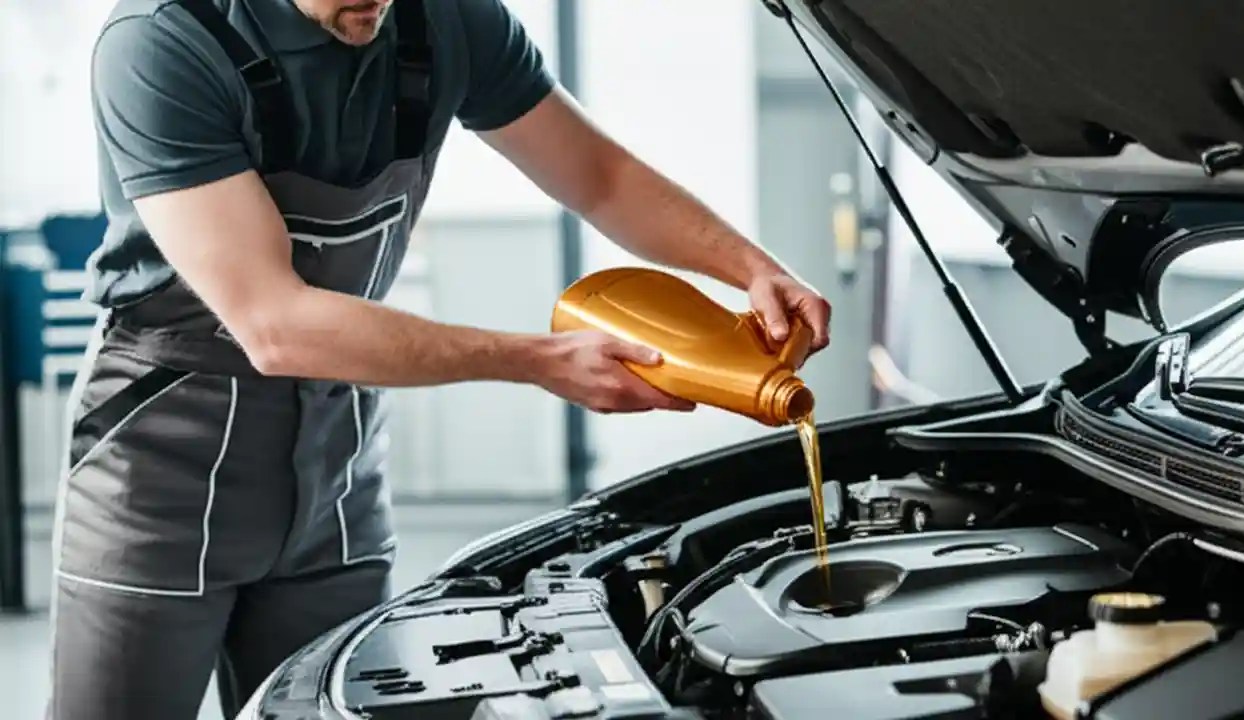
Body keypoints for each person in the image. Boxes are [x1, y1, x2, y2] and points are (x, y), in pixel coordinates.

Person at [50, 0, 833, 718]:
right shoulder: (162, 44)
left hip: (336, 468)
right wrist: (539, 359)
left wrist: (751, 267)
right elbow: (276, 324)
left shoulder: (447, 18)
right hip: (163, 471)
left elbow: (601, 176)